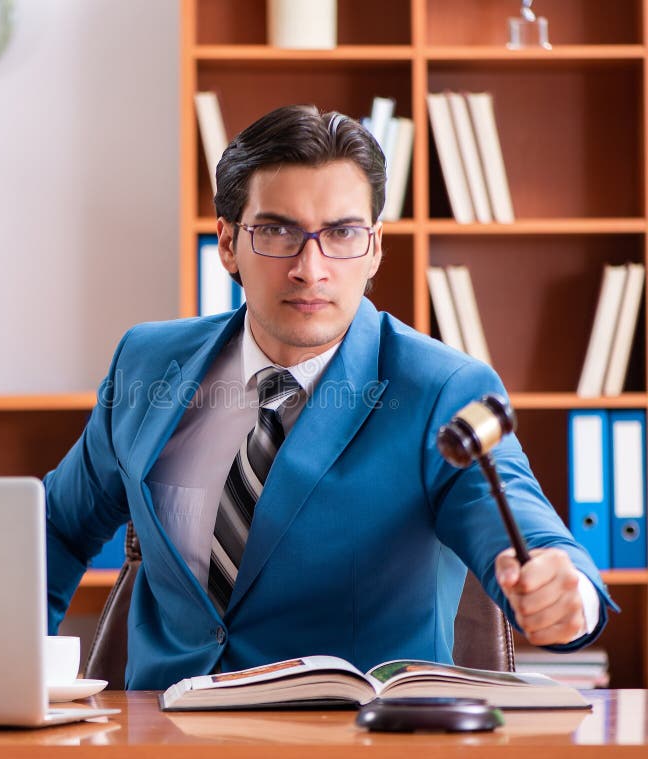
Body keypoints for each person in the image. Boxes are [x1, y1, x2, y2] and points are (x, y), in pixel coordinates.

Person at [44, 104, 615, 690]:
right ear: (227, 244)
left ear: (373, 249)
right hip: (160, 734)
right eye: (276, 231)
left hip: (352, 737)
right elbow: (55, 530)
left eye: (341, 233)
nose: (309, 268)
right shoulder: (147, 364)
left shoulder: (442, 390)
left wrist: (566, 595)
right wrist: (17, 666)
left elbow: (526, 530)